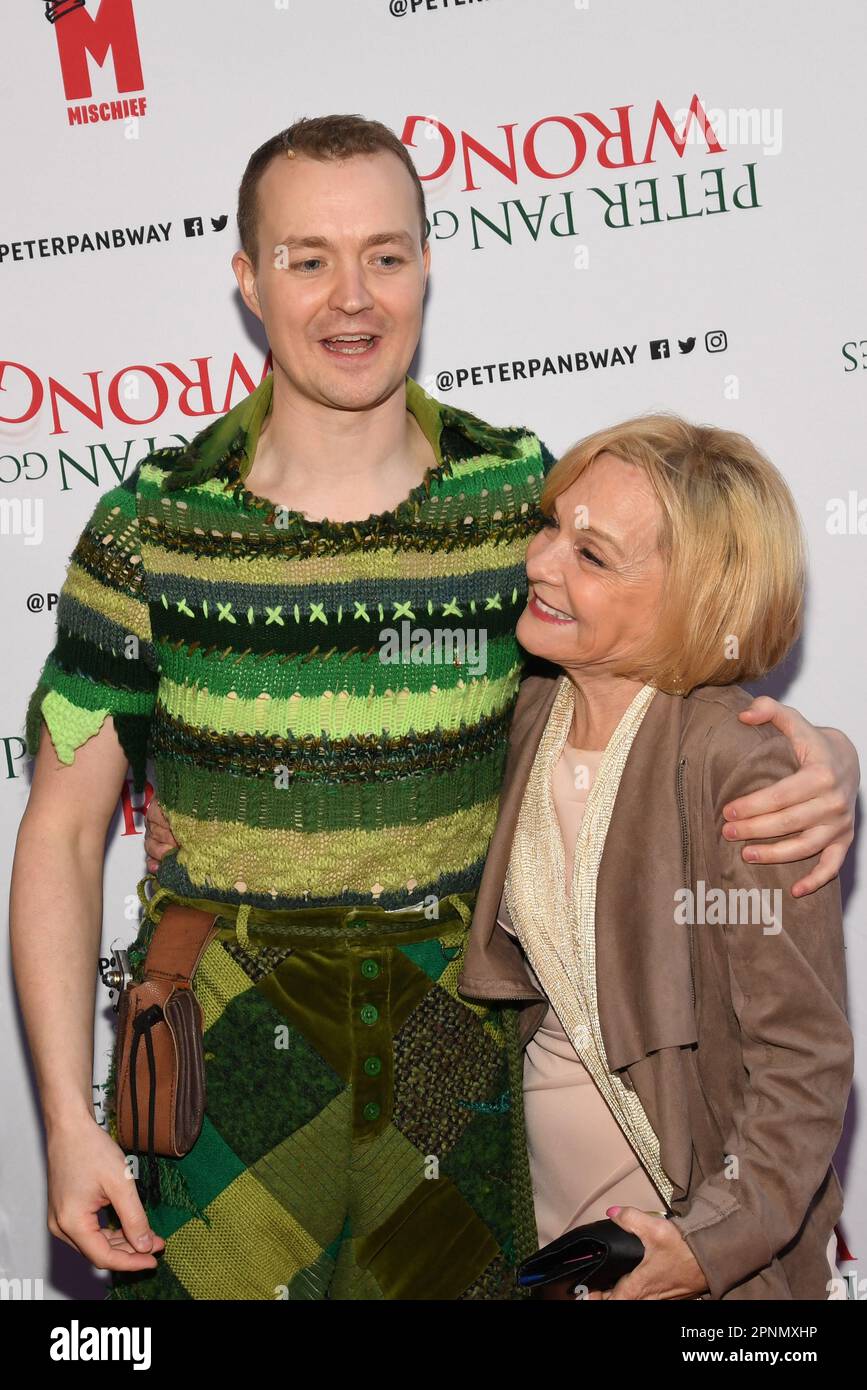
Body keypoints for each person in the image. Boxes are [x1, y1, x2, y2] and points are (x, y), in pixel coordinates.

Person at [10, 114, 859, 1302]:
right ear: (248, 279)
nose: (352, 298)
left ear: (427, 263)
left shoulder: (523, 501)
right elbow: (56, 828)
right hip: (222, 1038)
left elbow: (663, 669)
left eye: (387, 255)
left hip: (452, 1042)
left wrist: (823, 752)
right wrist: (64, 1118)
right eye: (309, 258)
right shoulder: (152, 522)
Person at [457, 414, 855, 1300]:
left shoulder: (733, 766)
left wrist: (711, 1243)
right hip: (550, 1240)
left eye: (592, 556)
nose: (541, 560)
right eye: (551, 525)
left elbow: (800, 1056)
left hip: (681, 1250)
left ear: (699, 598)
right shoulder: (527, 716)